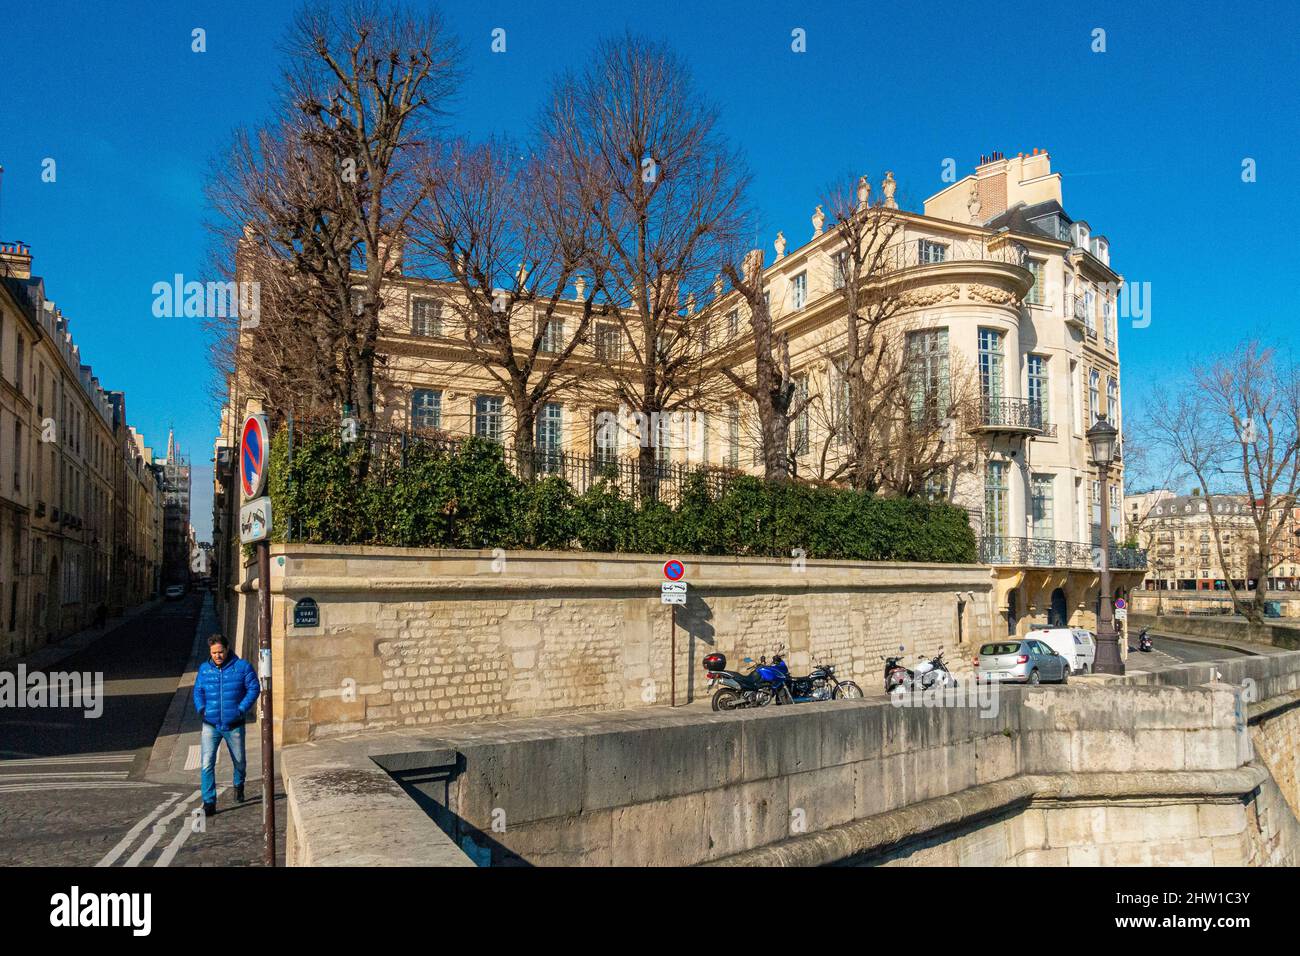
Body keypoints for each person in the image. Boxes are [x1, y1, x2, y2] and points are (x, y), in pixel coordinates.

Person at [192, 634, 260, 816]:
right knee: (206, 763)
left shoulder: (242, 667)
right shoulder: (204, 669)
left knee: (239, 762)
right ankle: (209, 802)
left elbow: (254, 688)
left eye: (220, 652)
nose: (217, 656)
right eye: (214, 653)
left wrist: (241, 709)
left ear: (227, 649)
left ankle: (238, 785)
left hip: (234, 724)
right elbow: (198, 690)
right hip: (210, 724)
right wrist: (201, 709)